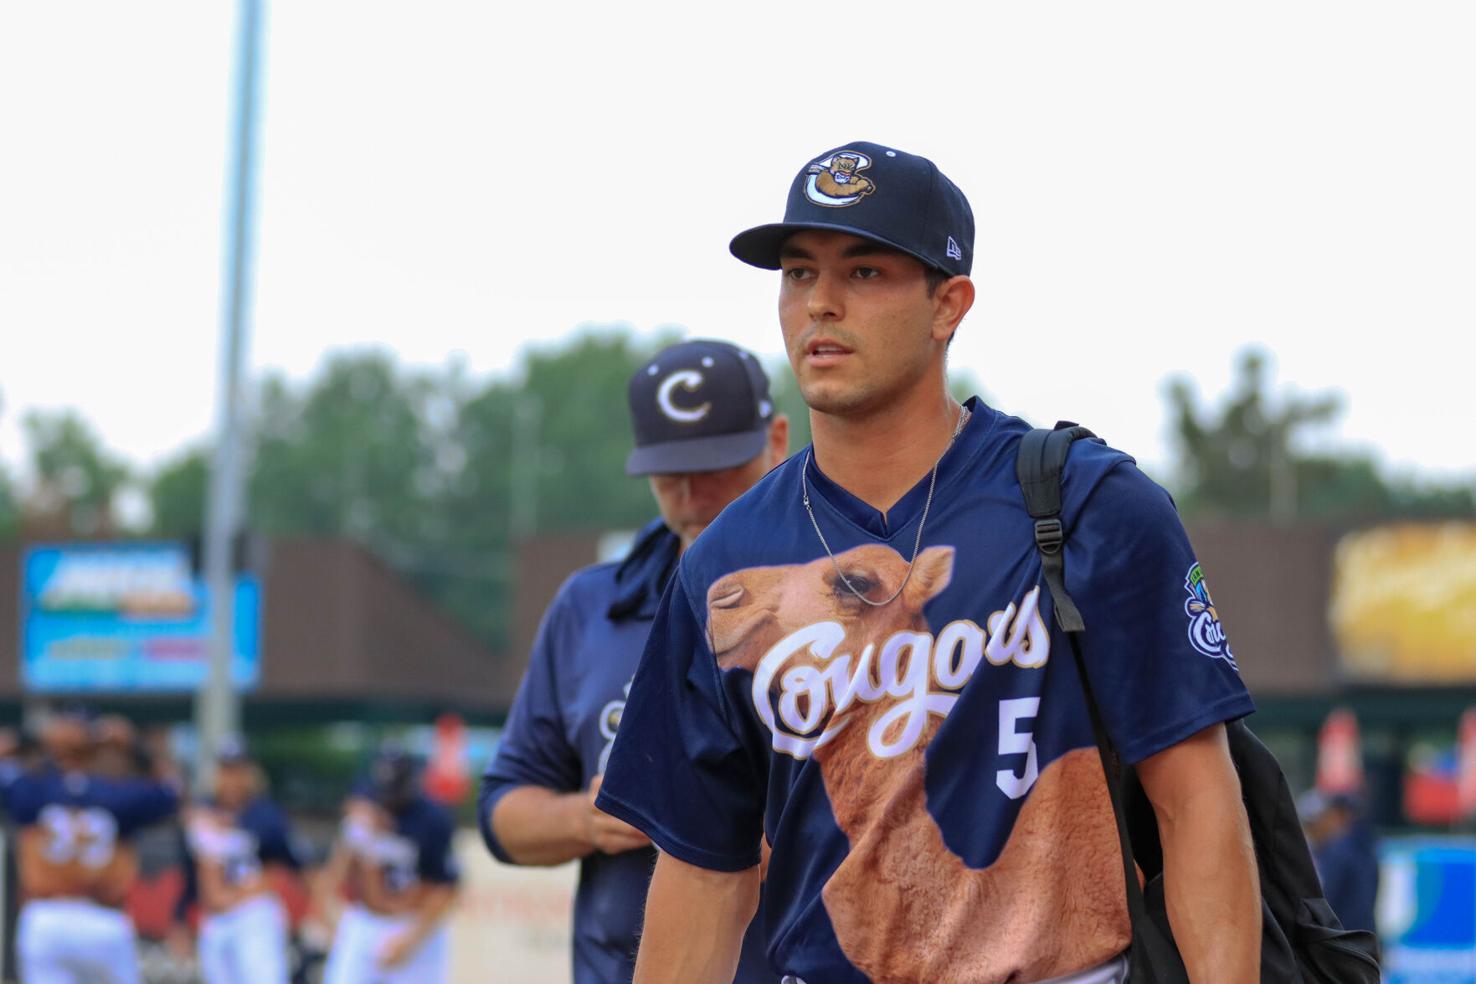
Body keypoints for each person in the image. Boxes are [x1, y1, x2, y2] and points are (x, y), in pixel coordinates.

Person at [596, 142, 1264, 984]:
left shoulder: (1087, 505)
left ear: (949, 305)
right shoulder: (724, 563)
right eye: (798, 274)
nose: (821, 304)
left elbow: (1197, 800)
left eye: (865, 273)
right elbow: (703, 869)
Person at [479, 339, 787, 984]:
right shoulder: (590, 606)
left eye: (716, 463)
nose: (691, 491)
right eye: (669, 470)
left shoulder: (846, 595)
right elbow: (501, 813)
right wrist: (585, 819)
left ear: (777, 440)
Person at [1, 706, 180, 984]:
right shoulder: (118, 793)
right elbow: (172, 788)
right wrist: (136, 744)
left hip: (46, 917)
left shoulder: (32, 790)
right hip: (102, 919)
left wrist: (24, 739)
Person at [315, 743, 458, 984]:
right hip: (365, 920)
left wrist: (411, 940)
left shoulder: (432, 820)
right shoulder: (361, 814)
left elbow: (446, 888)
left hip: (413, 922)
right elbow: (335, 872)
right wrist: (331, 920)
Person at [172, 736, 301, 984]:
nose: (232, 779)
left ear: (250, 773)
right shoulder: (202, 811)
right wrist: (179, 918)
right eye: (226, 770)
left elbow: (293, 865)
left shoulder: (266, 813)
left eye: (239, 771)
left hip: (252, 912)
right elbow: (190, 874)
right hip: (215, 918)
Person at [1298, 790, 1379, 934]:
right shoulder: (1364, 849)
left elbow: (1327, 899)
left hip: (1342, 937)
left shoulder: (1339, 851)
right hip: (1360, 937)